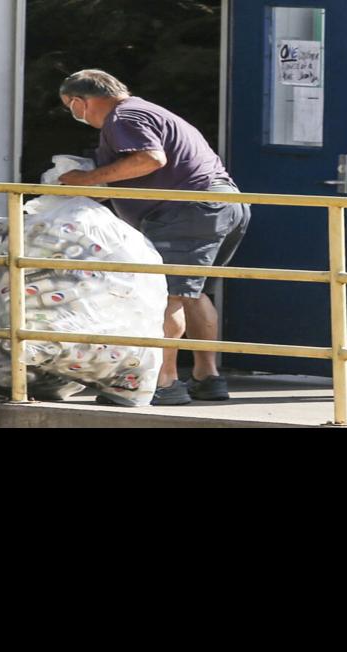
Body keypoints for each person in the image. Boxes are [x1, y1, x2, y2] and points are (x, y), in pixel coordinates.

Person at [56, 69, 246, 407]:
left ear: (79, 101)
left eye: (69, 106)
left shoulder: (123, 116)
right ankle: (208, 377)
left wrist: (87, 179)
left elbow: (149, 159)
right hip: (218, 205)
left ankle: (163, 382)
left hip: (187, 210)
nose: (73, 113)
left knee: (166, 295)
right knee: (192, 292)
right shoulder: (143, 111)